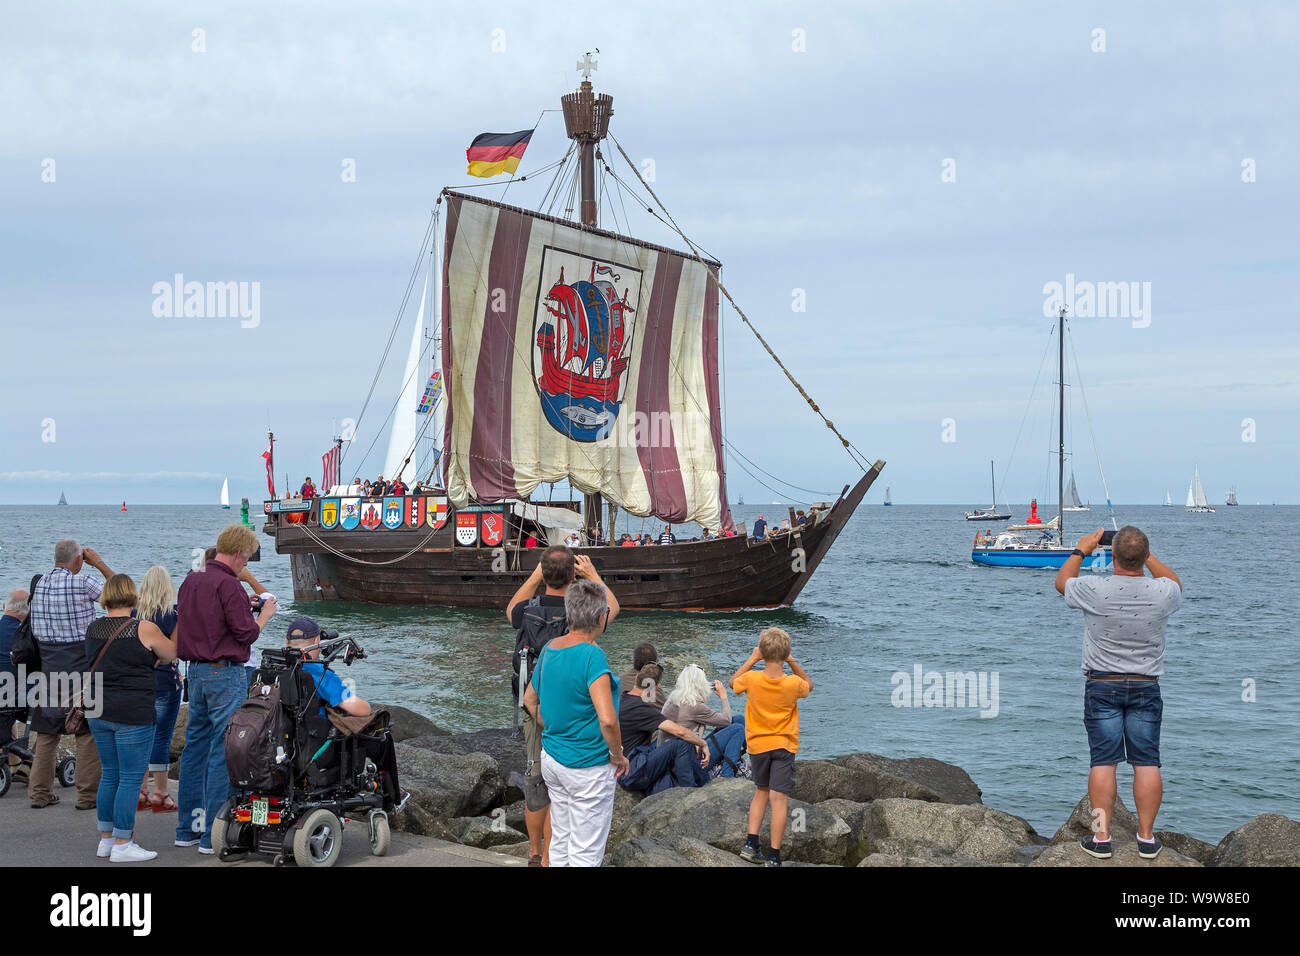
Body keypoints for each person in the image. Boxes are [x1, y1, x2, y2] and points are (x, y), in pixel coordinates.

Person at [1055, 526, 1182, 861]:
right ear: (1144, 556)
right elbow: (1175, 582)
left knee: (1103, 763)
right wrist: (1143, 553)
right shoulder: (1163, 592)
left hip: (1102, 684)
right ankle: (1146, 838)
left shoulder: (1094, 588)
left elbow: (1061, 582)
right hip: (1145, 686)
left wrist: (1082, 550)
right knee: (1147, 762)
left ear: (1112, 556)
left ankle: (1101, 838)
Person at [506, 548, 620, 866]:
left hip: (540, 716)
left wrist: (536, 575)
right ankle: (547, 859)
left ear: (543, 573)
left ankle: (535, 852)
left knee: (539, 783)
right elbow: (612, 607)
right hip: (576, 739)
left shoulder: (530, 613)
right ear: (572, 575)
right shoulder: (582, 621)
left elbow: (509, 610)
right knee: (577, 829)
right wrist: (592, 573)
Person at [175, 525, 277, 854]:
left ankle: (187, 829)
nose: (245, 564)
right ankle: (212, 836)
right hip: (225, 673)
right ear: (237, 553)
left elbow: (203, 618)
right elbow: (246, 634)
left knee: (194, 750)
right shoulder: (228, 583)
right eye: (246, 558)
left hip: (197, 672)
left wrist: (240, 602)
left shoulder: (193, 579)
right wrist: (265, 615)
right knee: (223, 751)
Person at [86, 574, 177, 862]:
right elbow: (171, 654)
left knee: (110, 774)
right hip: (132, 711)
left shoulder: (93, 628)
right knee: (130, 778)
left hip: (99, 709)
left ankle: (106, 839)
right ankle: (123, 843)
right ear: (133, 596)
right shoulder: (144, 628)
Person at [285, 617, 407, 810]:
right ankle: (390, 798)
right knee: (382, 737)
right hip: (317, 747)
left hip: (285, 746)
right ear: (317, 642)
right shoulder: (317, 672)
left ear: (286, 642)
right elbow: (359, 708)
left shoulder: (279, 669)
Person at [28, 539, 114, 810]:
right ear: (79, 560)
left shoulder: (38, 584)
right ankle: (87, 796)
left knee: (46, 733)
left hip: (49, 667)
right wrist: (98, 562)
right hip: (81, 666)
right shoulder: (84, 582)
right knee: (86, 732)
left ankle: (40, 793)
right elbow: (123, 597)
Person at [731, 627, 813, 866]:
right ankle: (774, 856)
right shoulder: (793, 683)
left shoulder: (753, 679)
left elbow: (733, 682)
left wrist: (753, 658)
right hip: (784, 745)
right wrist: (792, 660)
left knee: (761, 792)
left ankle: (750, 843)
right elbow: (810, 685)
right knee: (779, 800)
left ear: (763, 654)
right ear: (786, 653)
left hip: (757, 745)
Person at [616, 663, 710, 794]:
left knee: (664, 743)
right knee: (681, 744)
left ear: (637, 677)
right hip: (632, 771)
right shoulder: (642, 709)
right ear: (656, 687)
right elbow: (680, 731)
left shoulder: (622, 700)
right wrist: (702, 742)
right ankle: (690, 792)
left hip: (625, 764)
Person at [135, 566, 181, 814]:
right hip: (166, 681)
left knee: (141, 735)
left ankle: (141, 791)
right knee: (162, 736)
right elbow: (175, 652)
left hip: (140, 682)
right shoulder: (174, 615)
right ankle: (160, 793)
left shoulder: (134, 614)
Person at [660, 663, 746, 777]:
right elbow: (726, 721)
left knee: (738, 719)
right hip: (688, 764)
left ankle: (751, 754)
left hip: (676, 759)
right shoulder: (694, 705)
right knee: (738, 729)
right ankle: (727, 776)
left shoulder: (673, 699)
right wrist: (724, 696)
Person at [1, 589, 30, 775]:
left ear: (4, 606)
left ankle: (16, 763)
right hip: (16, 699)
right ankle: (24, 764)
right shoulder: (27, 637)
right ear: (28, 612)